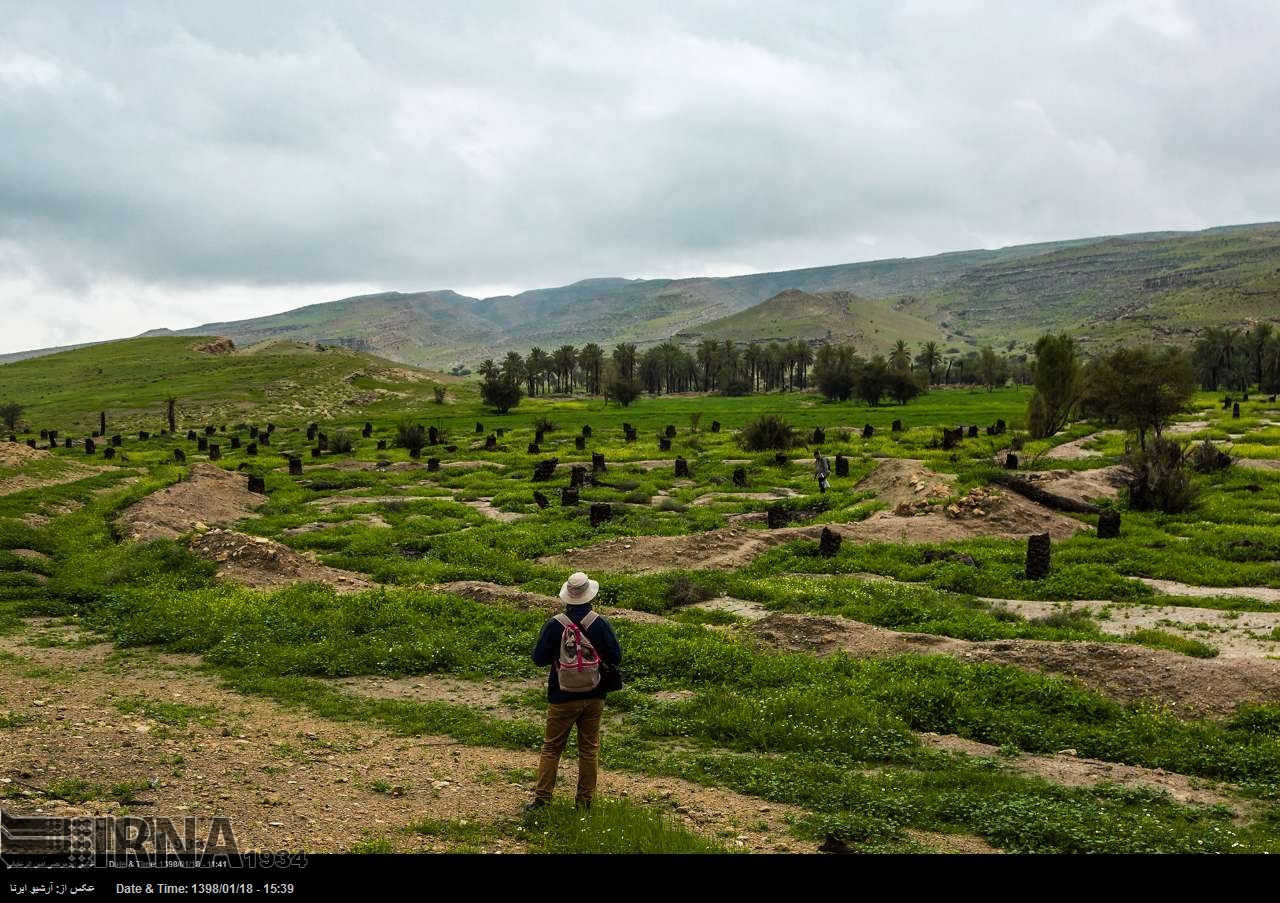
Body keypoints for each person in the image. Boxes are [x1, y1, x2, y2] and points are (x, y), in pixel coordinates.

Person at [526, 571, 622, 812]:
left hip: (562, 695)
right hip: (594, 694)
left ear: (567, 597)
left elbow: (538, 659)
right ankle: (584, 802)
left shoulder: (555, 624)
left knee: (552, 748)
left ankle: (542, 800)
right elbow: (616, 656)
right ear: (590, 595)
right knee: (589, 749)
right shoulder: (599, 623)